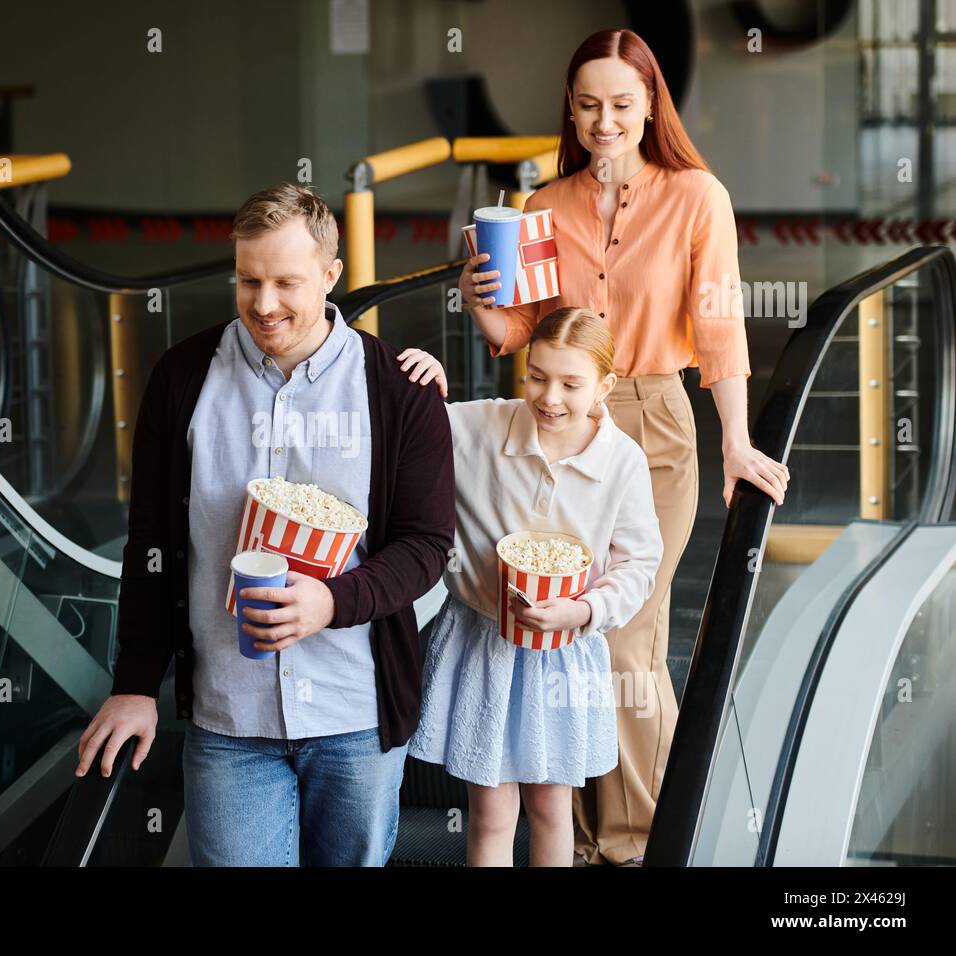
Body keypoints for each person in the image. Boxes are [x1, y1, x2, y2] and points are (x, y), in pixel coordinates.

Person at [457, 28, 791, 864]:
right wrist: (477, 300)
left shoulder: (695, 197)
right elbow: (521, 335)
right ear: (570, 109)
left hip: (654, 422)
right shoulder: (541, 206)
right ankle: (564, 834)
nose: (604, 121)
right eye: (588, 104)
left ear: (650, 107)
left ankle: (641, 839)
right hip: (555, 428)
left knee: (628, 633)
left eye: (622, 104)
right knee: (559, 636)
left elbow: (719, 330)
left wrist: (737, 444)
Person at [74, 183, 455, 866]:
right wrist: (135, 680)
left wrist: (333, 600)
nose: (264, 303)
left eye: (287, 282)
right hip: (229, 717)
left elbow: (426, 547)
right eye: (249, 280)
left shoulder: (398, 390)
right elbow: (153, 545)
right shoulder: (182, 377)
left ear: (332, 276)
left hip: (356, 714)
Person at [401, 308, 662, 866]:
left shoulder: (622, 462)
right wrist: (422, 375)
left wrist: (584, 611)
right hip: (482, 644)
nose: (550, 397)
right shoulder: (480, 425)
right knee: (492, 815)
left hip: (566, 655)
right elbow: (409, 418)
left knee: (551, 809)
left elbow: (639, 563)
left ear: (604, 386)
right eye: (537, 376)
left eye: (571, 384)